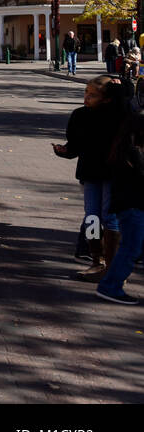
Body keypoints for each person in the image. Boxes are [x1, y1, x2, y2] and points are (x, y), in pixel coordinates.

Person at [53, 75, 127, 282]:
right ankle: (97, 260)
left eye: (93, 95)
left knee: (110, 217)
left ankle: (113, 267)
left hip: (114, 175)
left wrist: (120, 89)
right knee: (91, 217)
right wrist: (64, 151)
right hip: (90, 173)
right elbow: (75, 145)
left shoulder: (118, 115)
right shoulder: (80, 115)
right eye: (86, 92)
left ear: (107, 98)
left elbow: (127, 104)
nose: (87, 97)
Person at [95, 112, 144, 303]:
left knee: (133, 247)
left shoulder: (125, 149)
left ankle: (110, 284)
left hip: (130, 206)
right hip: (132, 207)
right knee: (130, 248)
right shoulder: (133, 152)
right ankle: (110, 286)